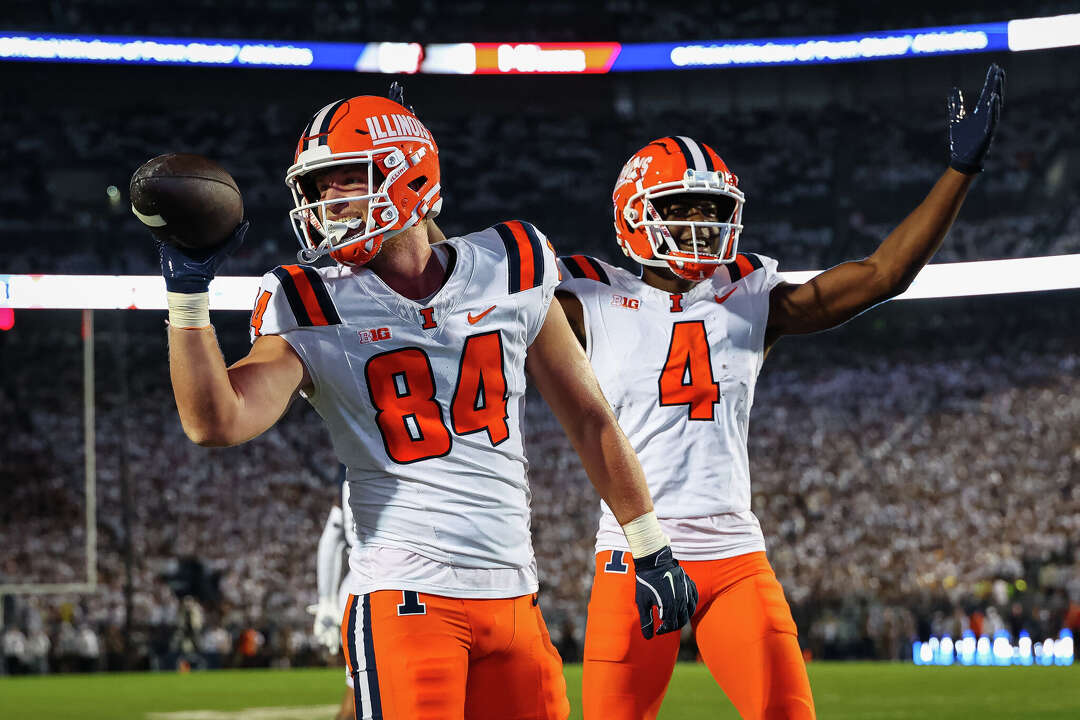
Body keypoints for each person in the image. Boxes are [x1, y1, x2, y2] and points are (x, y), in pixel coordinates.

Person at [149, 90, 697, 720]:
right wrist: (187, 297)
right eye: (320, 189)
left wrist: (649, 541)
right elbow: (215, 421)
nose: (328, 204)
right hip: (404, 597)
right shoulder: (309, 300)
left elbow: (588, 415)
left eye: (346, 181)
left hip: (515, 597)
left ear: (407, 172)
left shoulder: (513, 261)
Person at [557, 64, 1004, 719]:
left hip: (735, 556)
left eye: (710, 211)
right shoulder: (588, 302)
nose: (699, 225)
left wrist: (960, 171)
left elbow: (884, 274)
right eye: (679, 208)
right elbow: (462, 302)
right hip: (633, 557)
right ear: (635, 214)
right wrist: (419, 220)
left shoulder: (753, 298)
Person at [309, 465, 360, 720]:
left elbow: (332, 535)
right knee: (360, 695)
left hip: (359, 584)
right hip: (374, 582)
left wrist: (327, 600)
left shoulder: (352, 459)